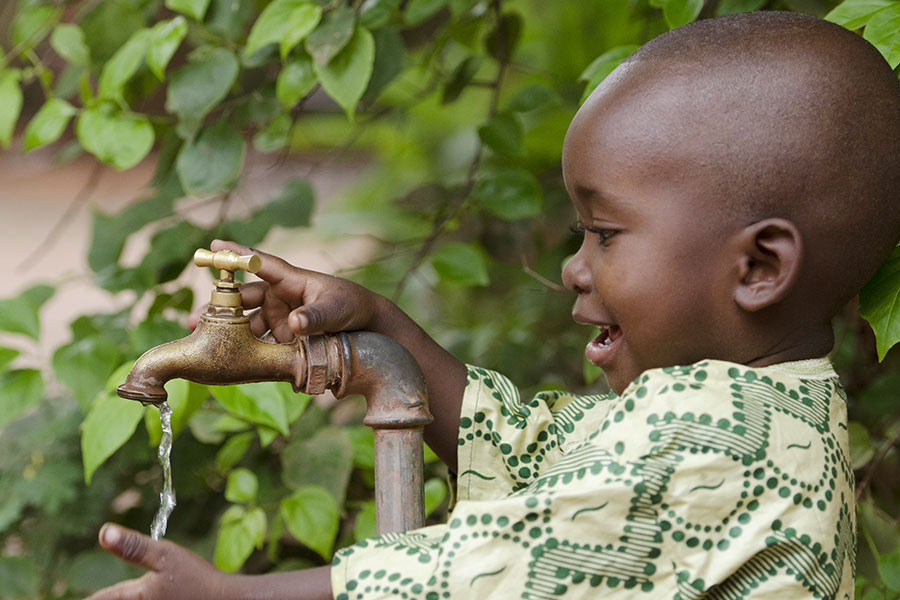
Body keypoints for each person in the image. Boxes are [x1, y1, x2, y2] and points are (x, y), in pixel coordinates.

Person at [86, 11, 900, 600]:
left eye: (604, 234)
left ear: (758, 266)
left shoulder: (725, 439)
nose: (573, 268)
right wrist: (378, 321)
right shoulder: (755, 406)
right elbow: (527, 449)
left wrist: (236, 598)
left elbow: (489, 565)